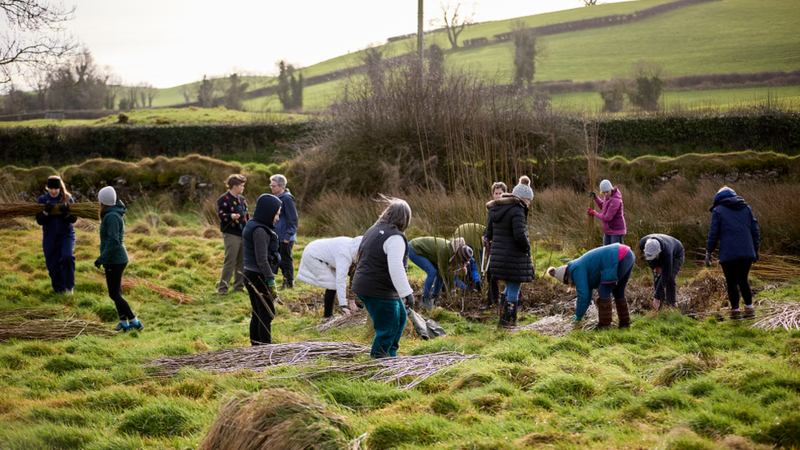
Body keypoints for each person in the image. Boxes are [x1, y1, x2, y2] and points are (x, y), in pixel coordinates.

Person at [351, 196, 415, 358]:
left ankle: (391, 355)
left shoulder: (372, 230)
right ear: (405, 218)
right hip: (378, 288)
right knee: (387, 328)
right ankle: (379, 361)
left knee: (400, 317)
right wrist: (407, 293)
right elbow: (396, 267)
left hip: (365, 285)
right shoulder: (395, 237)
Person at [547, 243, 634, 330]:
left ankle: (605, 326)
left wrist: (578, 316)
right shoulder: (578, 266)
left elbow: (583, 295)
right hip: (628, 255)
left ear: (567, 278)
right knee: (618, 291)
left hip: (618, 257)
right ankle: (624, 325)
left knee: (603, 290)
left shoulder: (576, 269)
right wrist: (581, 314)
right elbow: (588, 295)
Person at [485, 176, 535, 327]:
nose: (529, 203)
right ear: (523, 198)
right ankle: (508, 322)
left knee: (509, 286)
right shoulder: (517, 210)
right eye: (529, 200)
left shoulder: (496, 208)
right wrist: (527, 247)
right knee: (514, 287)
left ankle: (503, 320)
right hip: (513, 256)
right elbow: (519, 235)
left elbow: (490, 234)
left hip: (498, 256)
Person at [705, 186, 760, 320]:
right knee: (743, 280)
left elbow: (713, 234)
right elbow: (755, 231)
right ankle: (749, 309)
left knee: (731, 282)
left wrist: (709, 252)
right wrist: (755, 250)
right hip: (747, 251)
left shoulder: (718, 210)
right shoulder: (747, 208)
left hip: (728, 252)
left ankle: (735, 312)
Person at [95, 187, 143, 332]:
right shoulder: (112, 214)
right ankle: (123, 323)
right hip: (114, 259)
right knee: (116, 293)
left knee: (114, 294)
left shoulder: (112, 216)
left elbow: (114, 241)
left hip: (115, 259)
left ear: (103, 201)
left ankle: (135, 322)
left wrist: (102, 258)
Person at [242, 194, 283, 345]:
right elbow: (261, 260)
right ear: (268, 212)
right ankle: (265, 349)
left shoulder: (254, 223)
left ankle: (256, 346)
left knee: (258, 312)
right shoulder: (260, 230)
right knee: (266, 313)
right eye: (276, 214)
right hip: (258, 277)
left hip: (250, 274)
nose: (277, 218)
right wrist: (270, 281)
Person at [296, 236, 362, 322]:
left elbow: (354, 278)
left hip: (327, 255)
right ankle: (327, 317)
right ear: (358, 253)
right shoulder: (345, 256)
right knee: (332, 284)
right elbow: (341, 280)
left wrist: (352, 301)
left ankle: (330, 314)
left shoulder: (354, 248)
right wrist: (343, 306)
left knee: (334, 282)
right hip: (313, 255)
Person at [408, 236, 475, 309]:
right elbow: (444, 272)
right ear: (459, 257)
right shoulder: (445, 251)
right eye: (462, 261)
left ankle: (435, 297)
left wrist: (453, 289)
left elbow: (447, 272)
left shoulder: (454, 253)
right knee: (432, 272)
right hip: (414, 248)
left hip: (426, 252)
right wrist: (456, 277)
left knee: (439, 275)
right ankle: (424, 300)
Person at [36, 176, 76, 295]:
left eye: (56, 188)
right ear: (47, 188)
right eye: (51, 188)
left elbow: (73, 219)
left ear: (60, 188)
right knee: (53, 266)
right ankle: (59, 291)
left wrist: (66, 214)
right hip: (50, 237)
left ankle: (69, 288)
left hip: (66, 234)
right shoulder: (42, 199)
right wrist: (45, 212)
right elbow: (40, 221)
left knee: (67, 257)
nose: (53, 191)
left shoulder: (67, 198)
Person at [216, 174, 250, 295]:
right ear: (234, 186)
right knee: (230, 261)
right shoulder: (223, 199)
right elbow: (221, 215)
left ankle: (238, 286)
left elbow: (247, 215)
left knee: (242, 261)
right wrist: (231, 216)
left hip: (243, 234)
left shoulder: (242, 199)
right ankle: (223, 288)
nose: (243, 188)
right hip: (231, 234)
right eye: (241, 186)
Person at [639, 234, 685, 310]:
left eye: (654, 257)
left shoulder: (667, 250)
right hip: (661, 253)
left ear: (659, 252)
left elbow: (666, 275)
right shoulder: (642, 243)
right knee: (657, 276)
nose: (653, 259)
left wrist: (656, 297)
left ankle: (671, 306)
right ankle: (661, 306)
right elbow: (649, 259)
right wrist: (655, 267)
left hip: (677, 254)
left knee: (670, 278)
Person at [481, 182, 507, 309]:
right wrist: (485, 235)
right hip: (492, 245)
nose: (498, 196)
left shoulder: (508, 208)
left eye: (500, 193)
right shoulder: (491, 208)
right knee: (490, 273)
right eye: (496, 193)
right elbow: (489, 226)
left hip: (503, 245)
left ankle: (516, 300)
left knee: (508, 272)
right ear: (493, 194)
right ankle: (492, 301)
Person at [270, 174, 298, 290]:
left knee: (285, 260)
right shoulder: (276, 197)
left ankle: (289, 283)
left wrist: (288, 235)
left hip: (285, 236)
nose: (271, 188)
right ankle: (284, 281)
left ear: (282, 186)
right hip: (277, 235)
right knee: (278, 260)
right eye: (271, 185)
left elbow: (293, 218)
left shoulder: (286, 198)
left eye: (274, 186)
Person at [588, 179, 626, 245]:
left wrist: (594, 213)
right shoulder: (607, 197)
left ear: (611, 189)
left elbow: (607, 218)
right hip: (608, 230)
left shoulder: (615, 200)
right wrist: (596, 198)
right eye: (603, 192)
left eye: (607, 192)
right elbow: (603, 207)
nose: (605, 194)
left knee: (614, 253)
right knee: (606, 252)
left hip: (616, 231)